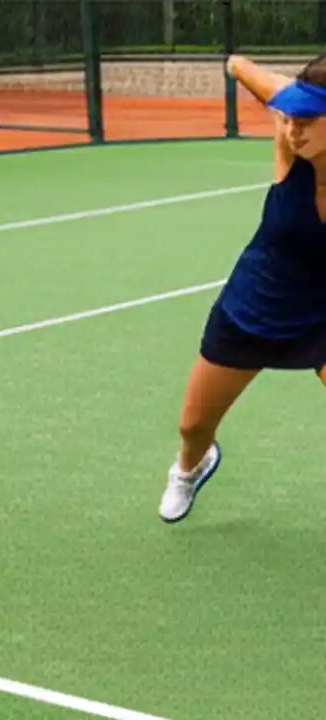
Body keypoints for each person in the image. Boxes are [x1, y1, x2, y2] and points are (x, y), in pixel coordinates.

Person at [160, 53, 326, 523]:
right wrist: (236, 65)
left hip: (321, 314)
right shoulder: (289, 151)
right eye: (290, 116)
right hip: (256, 306)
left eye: (308, 119)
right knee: (193, 425)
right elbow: (264, 81)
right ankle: (190, 468)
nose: (293, 127)